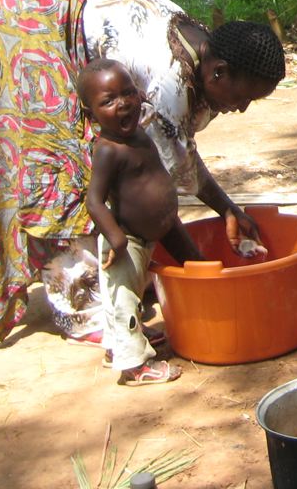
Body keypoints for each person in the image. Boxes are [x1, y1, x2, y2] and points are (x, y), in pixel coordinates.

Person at [0, 0, 286, 344]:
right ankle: (81, 307)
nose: (242, 108)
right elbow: (155, 202)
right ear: (218, 73)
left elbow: (179, 153)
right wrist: (205, 276)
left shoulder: (202, 53)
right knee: (65, 161)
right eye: (243, 97)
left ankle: (126, 275)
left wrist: (227, 209)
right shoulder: (166, 82)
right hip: (36, 10)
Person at [81, 58, 199, 385]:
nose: (124, 104)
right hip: (126, 240)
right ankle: (135, 367)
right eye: (109, 101)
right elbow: (94, 201)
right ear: (91, 116)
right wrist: (116, 239)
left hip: (157, 230)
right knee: (123, 299)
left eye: (128, 93)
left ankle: (115, 347)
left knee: (195, 267)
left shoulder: (138, 133)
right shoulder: (109, 150)